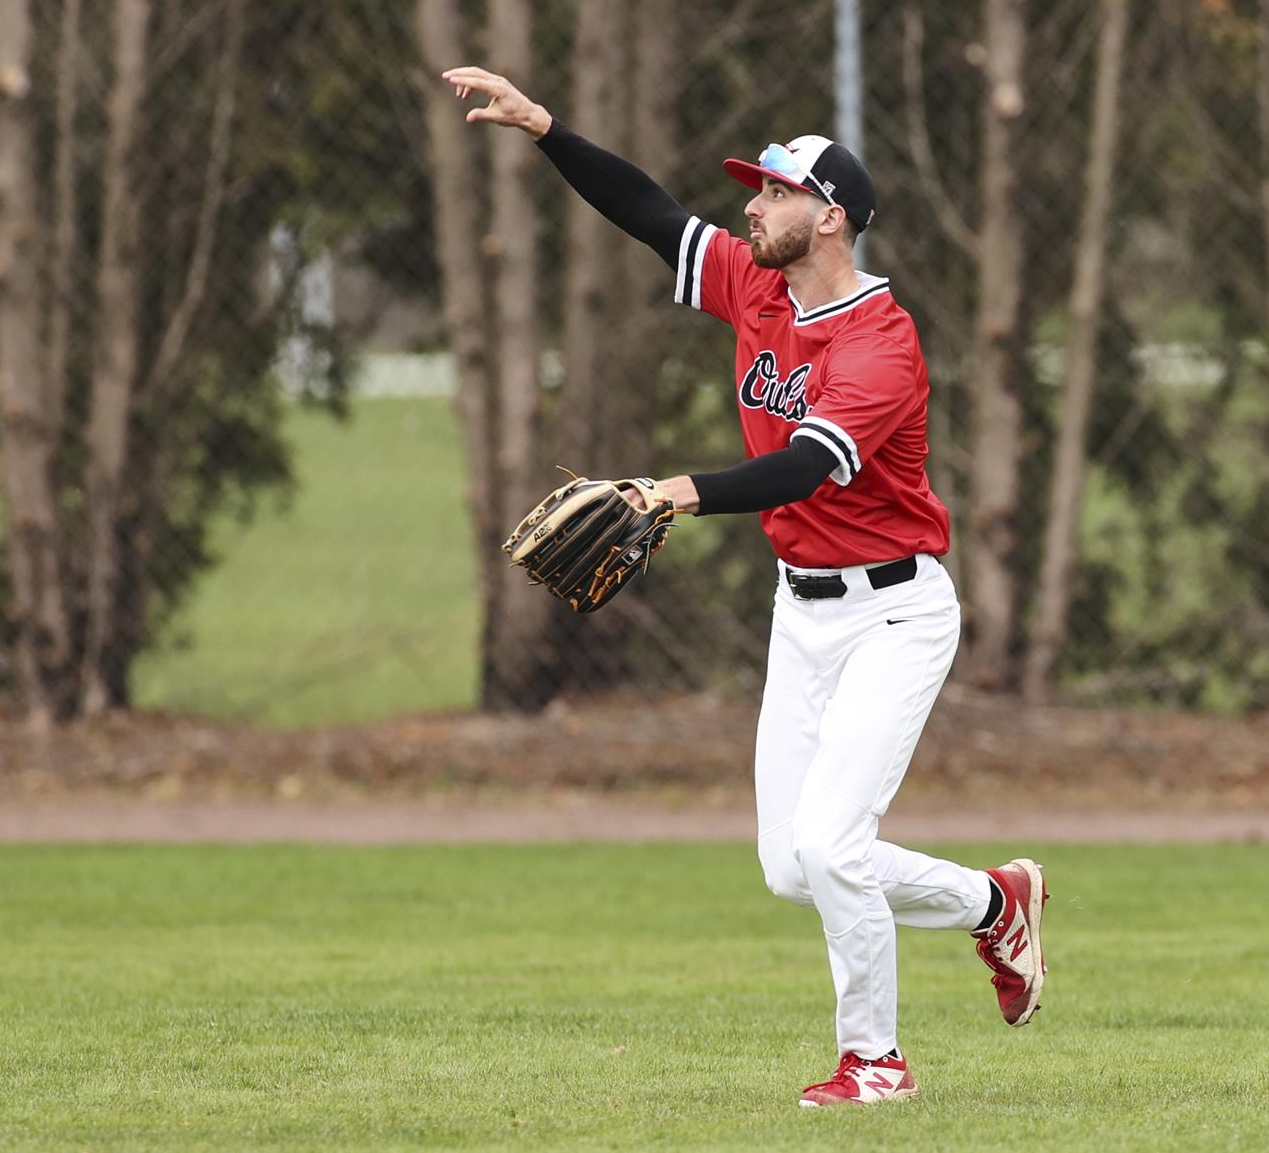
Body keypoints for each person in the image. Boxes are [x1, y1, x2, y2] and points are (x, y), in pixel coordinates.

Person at [445, 65, 1048, 1108]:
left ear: (828, 218)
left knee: (830, 845)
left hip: (895, 612)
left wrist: (674, 490)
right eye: (756, 188)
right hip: (800, 608)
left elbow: (804, 465)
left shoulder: (882, 341)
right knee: (791, 865)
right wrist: (545, 129)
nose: (749, 204)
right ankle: (994, 904)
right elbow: (651, 214)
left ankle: (876, 1061)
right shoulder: (754, 284)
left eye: (771, 191)